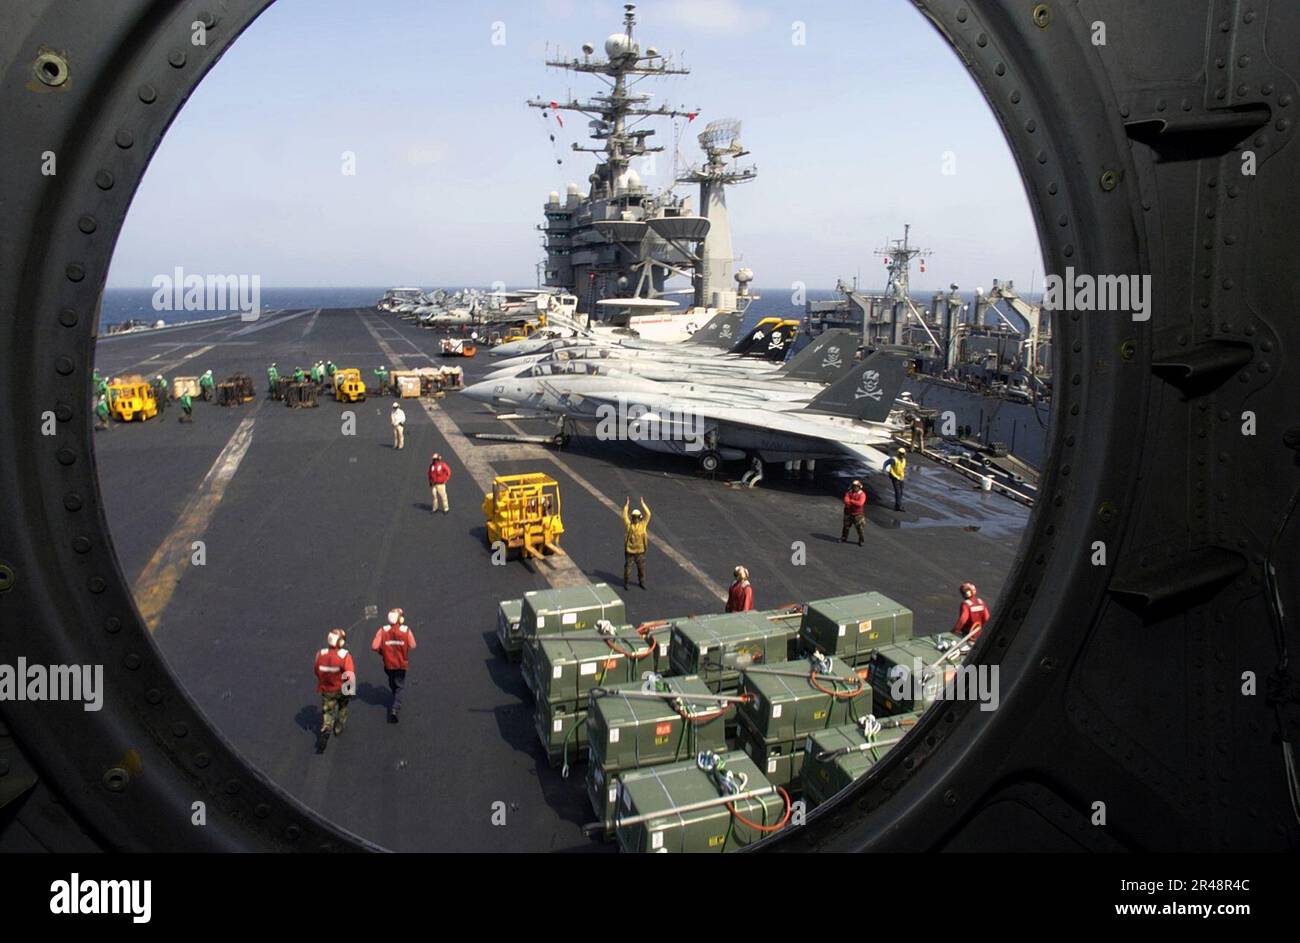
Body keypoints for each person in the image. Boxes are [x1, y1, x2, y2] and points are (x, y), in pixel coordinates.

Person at [371, 607, 417, 723]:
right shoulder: (406, 630)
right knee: (400, 687)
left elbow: (374, 647)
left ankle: (394, 692)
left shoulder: (382, 630)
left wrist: (383, 651)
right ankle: (395, 709)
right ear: (400, 619)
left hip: (388, 665)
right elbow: (413, 645)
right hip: (401, 665)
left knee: (392, 682)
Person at [313, 629, 355, 754]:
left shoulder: (320, 654)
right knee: (342, 707)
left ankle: (326, 728)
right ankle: (339, 727)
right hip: (341, 689)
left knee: (328, 711)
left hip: (327, 690)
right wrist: (350, 691)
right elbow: (349, 673)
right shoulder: (344, 656)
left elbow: (316, 670)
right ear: (340, 642)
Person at [622, 496, 651, 590]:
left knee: (641, 569)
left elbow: (648, 514)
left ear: (639, 518)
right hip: (630, 552)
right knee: (627, 570)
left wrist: (643, 504)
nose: (635, 519)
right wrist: (626, 505)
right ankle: (626, 582)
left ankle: (641, 582)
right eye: (634, 517)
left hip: (640, 552)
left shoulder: (643, 525)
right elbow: (624, 515)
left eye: (636, 517)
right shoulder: (629, 525)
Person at [841, 479, 867, 545]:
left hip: (858, 514)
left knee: (860, 528)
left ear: (859, 487)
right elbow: (845, 500)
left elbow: (860, 503)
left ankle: (861, 540)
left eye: (856, 486)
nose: (855, 487)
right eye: (854, 486)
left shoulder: (862, 494)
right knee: (846, 526)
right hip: (848, 513)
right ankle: (844, 537)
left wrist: (851, 501)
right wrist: (853, 502)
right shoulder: (849, 492)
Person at [884, 448, 908, 512]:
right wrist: (884, 470)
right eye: (901, 454)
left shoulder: (904, 460)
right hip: (894, 477)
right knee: (898, 492)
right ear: (898, 453)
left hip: (901, 477)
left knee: (901, 492)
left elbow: (902, 468)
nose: (902, 455)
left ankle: (898, 504)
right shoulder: (894, 459)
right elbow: (886, 463)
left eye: (903, 454)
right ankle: (898, 506)